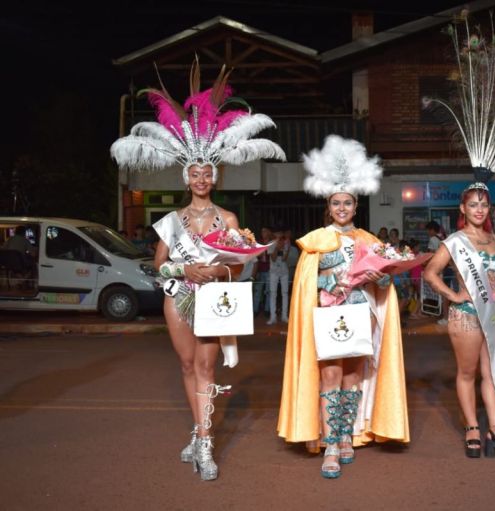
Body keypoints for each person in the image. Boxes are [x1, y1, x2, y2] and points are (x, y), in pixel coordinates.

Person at [111, 58, 285, 481]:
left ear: (214, 175)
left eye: (208, 172)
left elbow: (240, 271)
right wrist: (187, 273)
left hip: (214, 303)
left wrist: (222, 272)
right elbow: (158, 269)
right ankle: (198, 431)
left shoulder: (228, 219)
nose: (202, 178)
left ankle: (205, 444)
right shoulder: (171, 222)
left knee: (206, 369)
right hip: (179, 299)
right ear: (186, 177)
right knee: (187, 368)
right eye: (195, 173)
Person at [278, 135, 409, 479]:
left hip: (360, 314)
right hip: (327, 316)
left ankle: (348, 433)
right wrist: (331, 283)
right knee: (330, 375)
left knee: (352, 375)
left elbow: (383, 284)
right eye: (336, 203)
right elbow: (305, 283)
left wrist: (382, 275)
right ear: (329, 206)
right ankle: (331, 443)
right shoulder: (317, 240)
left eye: (347, 203)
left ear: (355, 206)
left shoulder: (370, 241)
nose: (341, 208)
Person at [423, 181, 495, 463]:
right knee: (467, 373)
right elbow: (430, 273)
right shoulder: (455, 241)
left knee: (494, 372)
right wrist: (453, 295)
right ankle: (472, 428)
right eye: (473, 204)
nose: (479, 210)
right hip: (468, 316)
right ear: (463, 208)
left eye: (484, 204)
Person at [267, 226, 290, 324]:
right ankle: (273, 317)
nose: (279, 235)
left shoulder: (287, 243)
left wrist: (284, 247)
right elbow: (273, 258)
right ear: (274, 234)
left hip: (284, 271)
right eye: (277, 233)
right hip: (273, 271)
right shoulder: (270, 244)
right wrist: (276, 247)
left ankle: (284, 316)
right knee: (273, 293)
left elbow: (284, 258)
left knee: (284, 293)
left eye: (280, 233)